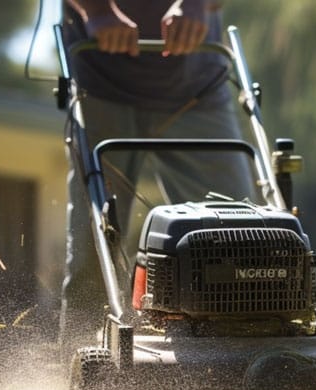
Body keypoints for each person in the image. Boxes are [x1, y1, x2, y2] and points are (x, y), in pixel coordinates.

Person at [59, 0, 254, 347]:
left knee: (240, 232)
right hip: (102, 83)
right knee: (96, 247)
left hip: (197, 86)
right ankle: (82, 366)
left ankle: (247, 354)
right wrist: (99, 11)